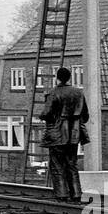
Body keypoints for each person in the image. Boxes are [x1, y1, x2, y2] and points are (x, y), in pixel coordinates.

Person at [40, 66, 88, 201]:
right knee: (72, 164)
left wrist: (43, 116)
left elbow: (46, 113)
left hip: (57, 134)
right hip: (74, 134)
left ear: (57, 78)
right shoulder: (79, 93)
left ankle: (62, 194)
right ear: (69, 77)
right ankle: (76, 193)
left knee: (57, 164)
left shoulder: (53, 93)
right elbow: (85, 115)